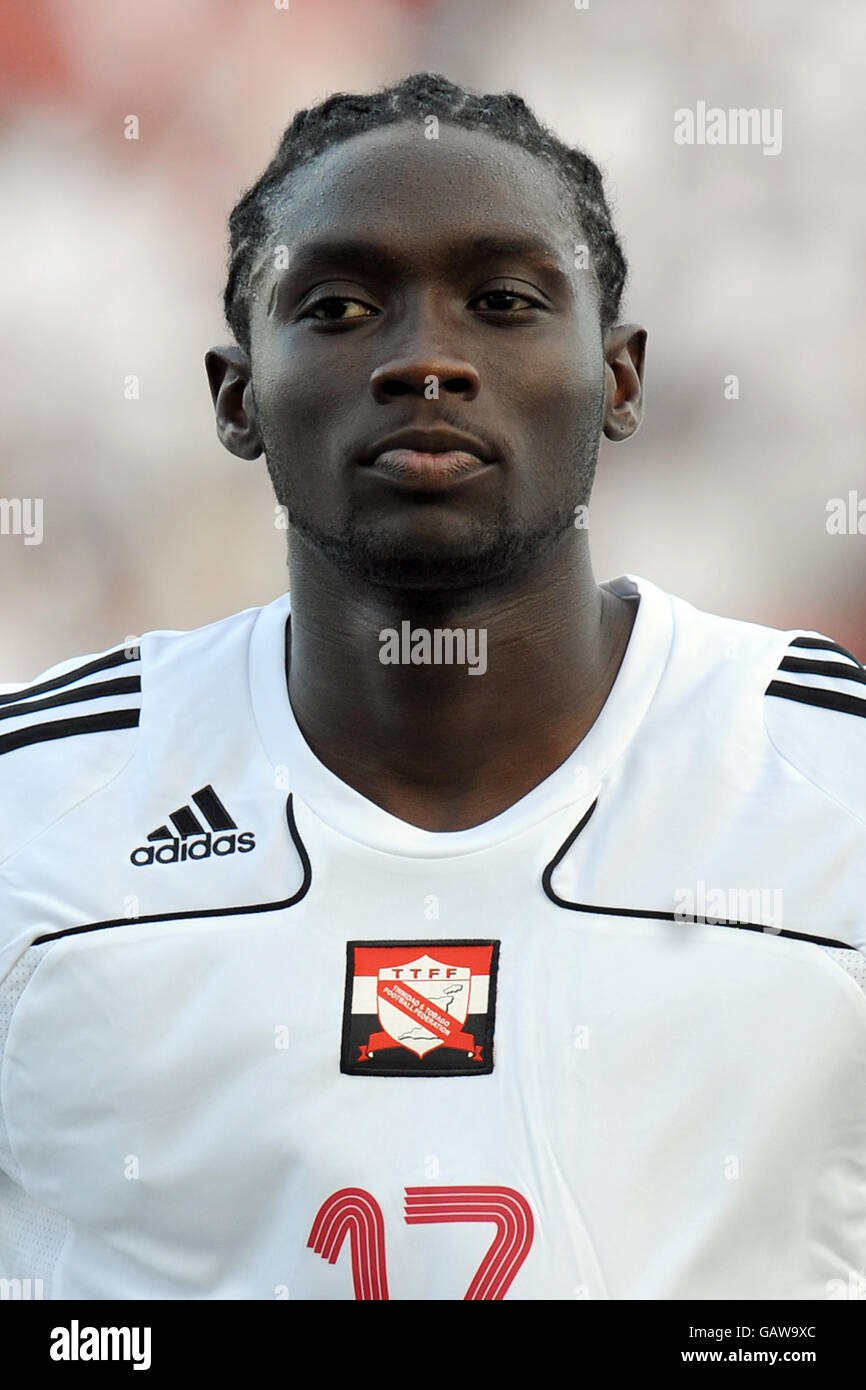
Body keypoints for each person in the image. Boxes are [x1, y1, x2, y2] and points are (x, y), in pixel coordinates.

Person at [0, 72, 863, 1302]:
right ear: (237, 395)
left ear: (618, 379)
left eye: (503, 301)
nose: (425, 363)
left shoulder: (831, 790)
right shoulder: (36, 808)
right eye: (341, 305)